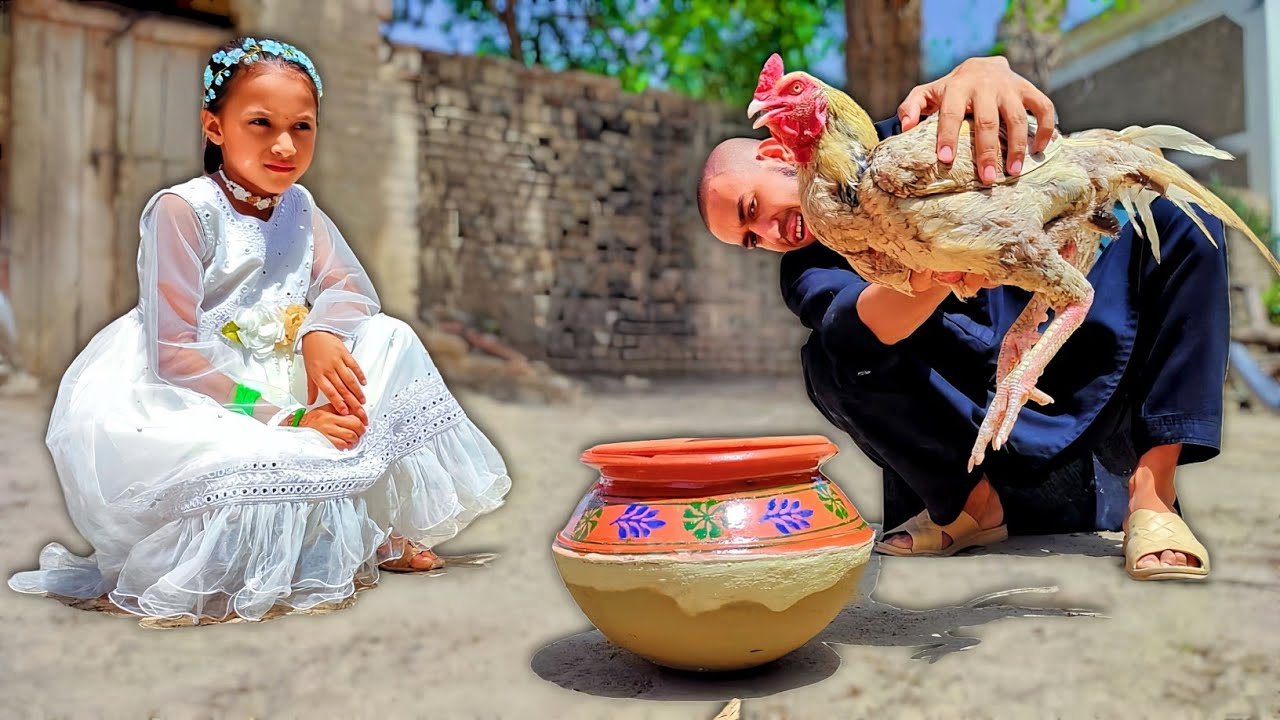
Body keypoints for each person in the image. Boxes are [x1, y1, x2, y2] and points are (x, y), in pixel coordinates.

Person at [7, 37, 511, 621]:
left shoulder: (299, 207)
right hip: (197, 393)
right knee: (249, 466)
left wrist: (320, 334)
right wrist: (289, 416)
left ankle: (371, 529)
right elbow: (174, 355)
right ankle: (280, 539)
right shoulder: (183, 211)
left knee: (391, 337)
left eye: (302, 127)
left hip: (283, 374)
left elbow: (350, 289)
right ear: (214, 126)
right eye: (261, 123)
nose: (283, 145)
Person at [698, 56, 1226, 581]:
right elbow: (857, 328)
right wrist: (931, 267)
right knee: (831, 358)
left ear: (776, 150)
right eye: (751, 240)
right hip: (966, 413)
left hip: (1084, 366)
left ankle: (1154, 495)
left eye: (752, 209)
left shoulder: (905, 141)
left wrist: (984, 76)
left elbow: (1027, 156)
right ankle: (971, 509)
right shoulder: (809, 262)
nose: (769, 233)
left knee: (1187, 220)